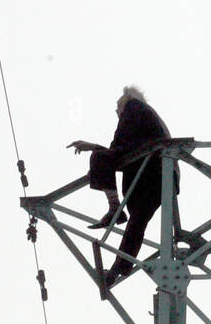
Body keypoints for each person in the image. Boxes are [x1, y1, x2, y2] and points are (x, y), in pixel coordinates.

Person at [69, 86, 176, 288]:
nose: (117, 112)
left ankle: (114, 208)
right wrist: (96, 146)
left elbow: (117, 149)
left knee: (99, 159)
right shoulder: (146, 116)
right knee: (136, 225)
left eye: (118, 107)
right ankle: (118, 269)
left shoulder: (133, 107)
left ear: (125, 102)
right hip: (158, 174)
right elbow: (125, 151)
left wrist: (96, 151)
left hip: (150, 172)